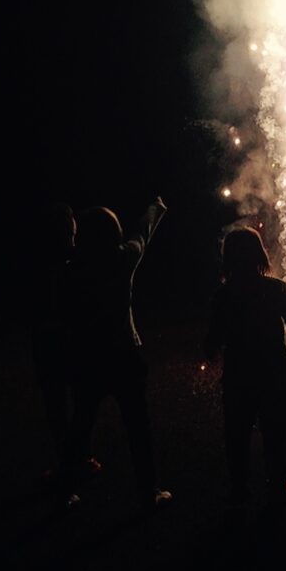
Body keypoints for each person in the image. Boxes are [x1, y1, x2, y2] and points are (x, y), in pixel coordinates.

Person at [58, 196, 172, 510]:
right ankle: (148, 491)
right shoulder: (123, 259)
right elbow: (142, 235)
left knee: (81, 423)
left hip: (87, 357)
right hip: (123, 354)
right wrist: (155, 209)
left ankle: (66, 489)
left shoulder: (72, 270)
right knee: (137, 425)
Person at [204, 226, 286, 522]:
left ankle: (240, 488)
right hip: (272, 373)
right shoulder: (275, 288)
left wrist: (210, 349)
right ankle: (277, 485)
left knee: (237, 433)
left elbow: (213, 333)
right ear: (259, 255)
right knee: (273, 430)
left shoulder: (224, 294)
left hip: (239, 374)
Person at [26, 202, 101, 482]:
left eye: (74, 235)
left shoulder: (65, 266)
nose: (72, 241)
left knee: (70, 404)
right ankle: (72, 465)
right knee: (66, 405)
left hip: (55, 343)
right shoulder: (57, 270)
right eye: (68, 236)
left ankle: (74, 460)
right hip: (57, 344)